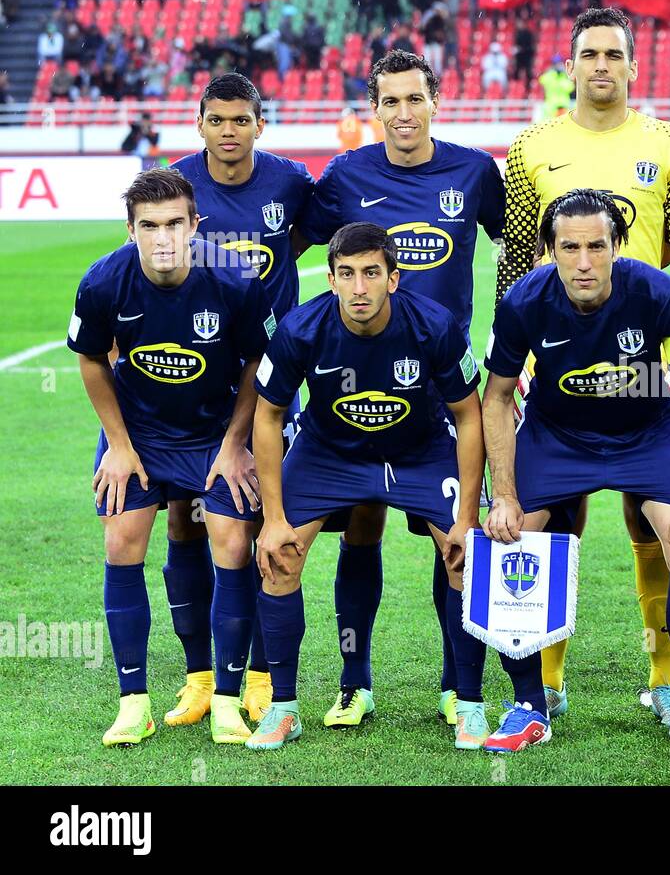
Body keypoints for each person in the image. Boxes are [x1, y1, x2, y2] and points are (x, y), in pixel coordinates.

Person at [495, 8, 670, 721]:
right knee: (555, 521)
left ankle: (664, 679)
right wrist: (522, 347)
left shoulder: (668, 142)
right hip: (561, 354)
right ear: (571, 62)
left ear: (631, 64)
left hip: (649, 353)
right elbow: (518, 258)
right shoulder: (532, 144)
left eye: (613, 54)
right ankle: (544, 685)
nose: (600, 66)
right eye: (588, 53)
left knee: (655, 524)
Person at [296, 49, 505, 729]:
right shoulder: (348, 174)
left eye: (415, 99)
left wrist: (518, 350)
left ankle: (455, 682)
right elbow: (294, 246)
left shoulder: (474, 170)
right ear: (375, 108)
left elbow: (522, 253)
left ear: (436, 101)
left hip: (444, 392)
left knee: (456, 537)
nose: (404, 113)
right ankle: (355, 680)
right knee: (362, 523)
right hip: (355, 388)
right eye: (390, 101)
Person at [481, 189, 670, 754]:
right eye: (569, 248)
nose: (584, 262)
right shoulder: (522, 302)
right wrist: (506, 496)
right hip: (556, 435)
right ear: (549, 251)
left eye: (596, 246)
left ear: (617, 246)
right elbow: (494, 399)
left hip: (645, 431)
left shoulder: (658, 291)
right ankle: (529, 704)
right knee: (510, 541)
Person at [248, 223, 485, 750]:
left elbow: (469, 418)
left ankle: (468, 700)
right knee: (280, 554)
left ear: (394, 279)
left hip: (419, 451)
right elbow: (267, 418)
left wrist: (467, 519)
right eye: (347, 274)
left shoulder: (434, 326)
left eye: (371, 273)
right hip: (330, 451)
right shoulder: (299, 328)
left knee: (463, 556)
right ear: (330, 279)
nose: (359, 288)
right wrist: (273, 518)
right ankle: (285, 708)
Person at [68, 169, 275, 747]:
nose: (163, 239)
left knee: (233, 541)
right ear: (130, 229)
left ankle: (228, 701)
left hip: (214, 433)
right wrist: (117, 444)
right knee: (121, 539)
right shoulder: (103, 282)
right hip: (140, 433)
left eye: (175, 224)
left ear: (195, 225)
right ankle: (134, 702)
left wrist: (236, 445)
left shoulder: (235, 279)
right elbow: (90, 360)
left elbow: (260, 364)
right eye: (149, 226)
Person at [168, 73, 314, 726]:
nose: (229, 130)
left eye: (241, 119)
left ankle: (258, 673)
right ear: (199, 123)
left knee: (255, 519)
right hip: (192, 379)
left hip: (269, 379)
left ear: (262, 122)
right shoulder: (173, 184)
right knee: (184, 518)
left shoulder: (288, 183)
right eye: (217, 119)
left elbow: (307, 240)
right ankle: (199, 675)